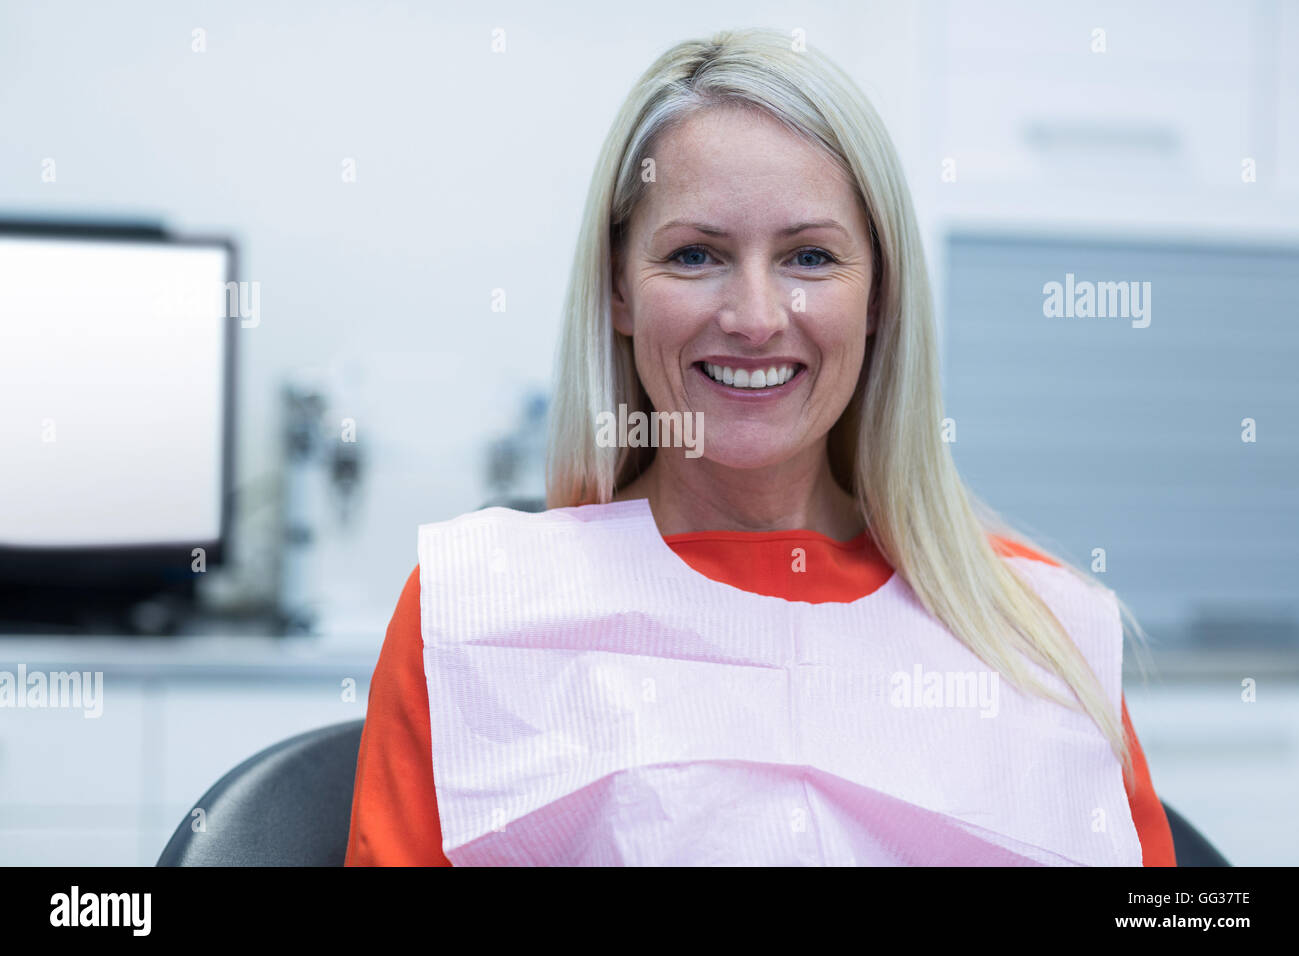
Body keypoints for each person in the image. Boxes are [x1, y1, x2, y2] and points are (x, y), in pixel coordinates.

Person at [346, 27, 1175, 866]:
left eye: (809, 256)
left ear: (879, 295)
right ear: (620, 288)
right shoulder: (479, 612)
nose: (754, 317)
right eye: (695, 254)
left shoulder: (1037, 629)